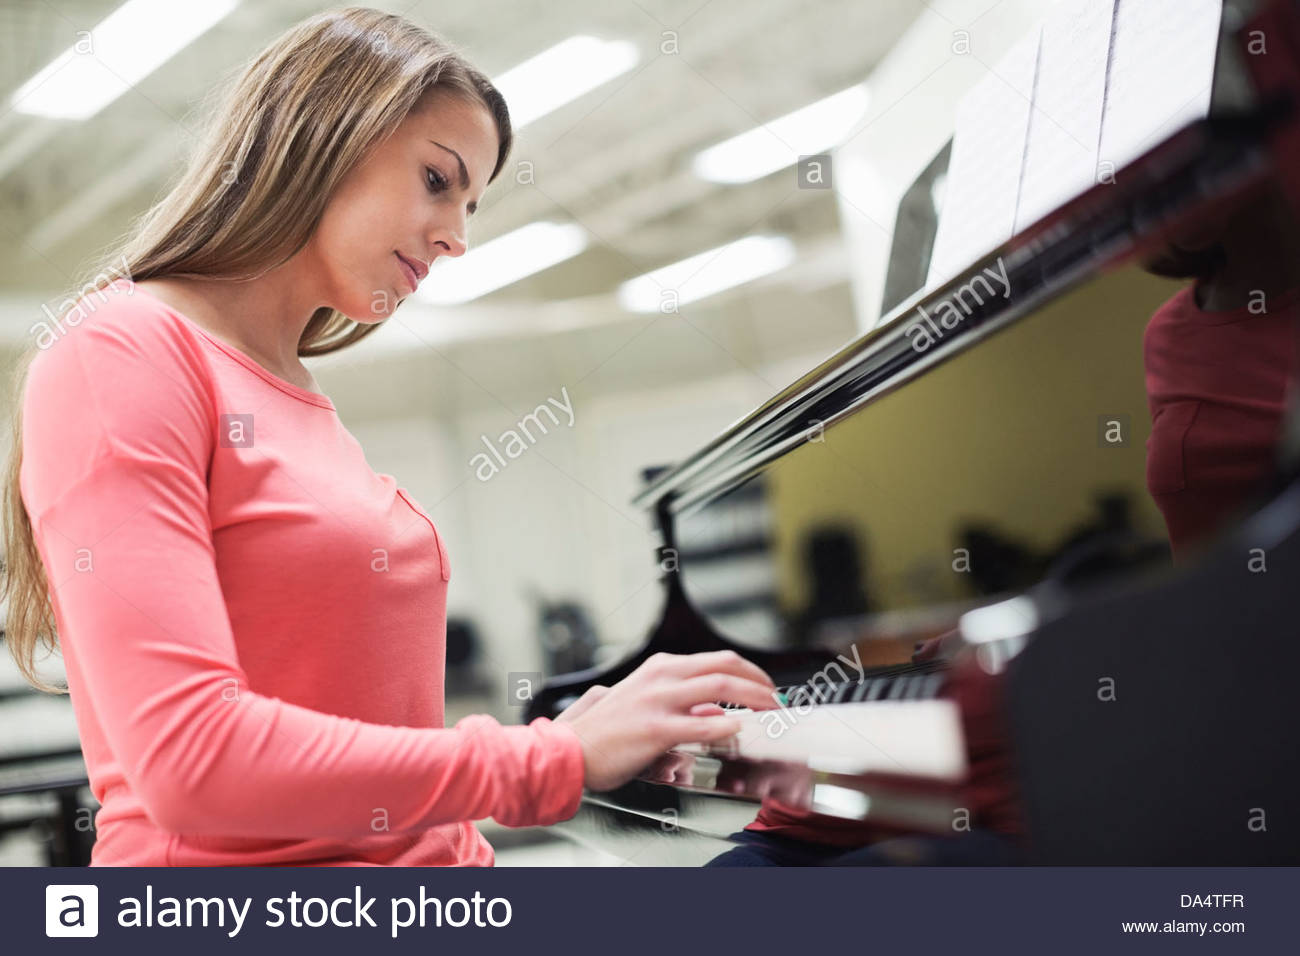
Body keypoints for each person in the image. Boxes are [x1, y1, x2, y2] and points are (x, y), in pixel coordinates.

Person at [0, 7, 777, 867]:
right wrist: (547, 760)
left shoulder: (294, 393)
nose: (457, 238)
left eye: (472, 204)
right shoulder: (121, 351)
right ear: (322, 136)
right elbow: (192, 760)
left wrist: (582, 730)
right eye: (438, 181)